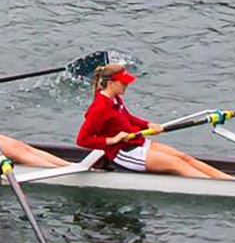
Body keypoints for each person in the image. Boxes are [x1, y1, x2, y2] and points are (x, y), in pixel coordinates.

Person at [77, 65, 227, 178]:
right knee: (177, 164)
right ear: (111, 83)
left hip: (137, 142)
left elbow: (128, 117)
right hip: (123, 152)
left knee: (183, 157)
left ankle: (232, 180)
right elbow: (83, 140)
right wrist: (113, 140)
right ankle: (222, 188)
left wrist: (148, 124)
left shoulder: (114, 97)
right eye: (123, 82)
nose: (127, 85)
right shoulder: (99, 108)